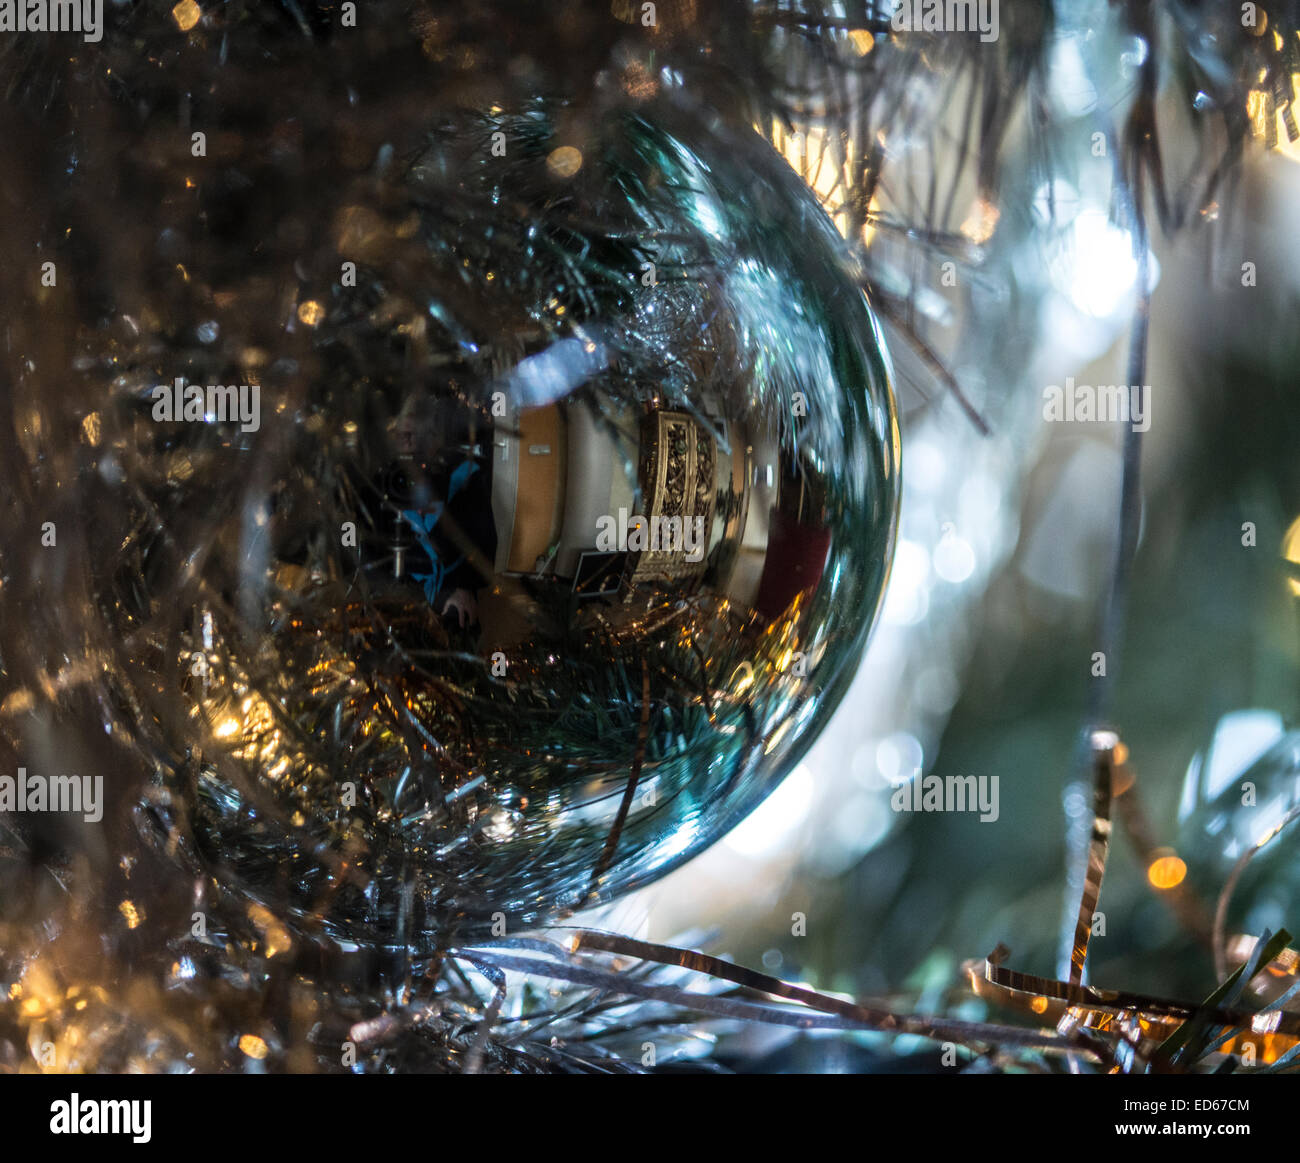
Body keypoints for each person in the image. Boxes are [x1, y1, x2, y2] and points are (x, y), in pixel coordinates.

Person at [369, 394, 498, 628]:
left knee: (458, 622)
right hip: (400, 587)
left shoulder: (463, 472)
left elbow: (483, 539)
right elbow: (371, 544)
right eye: (400, 436)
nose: (406, 444)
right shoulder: (382, 479)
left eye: (413, 436)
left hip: (450, 587)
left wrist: (462, 586)